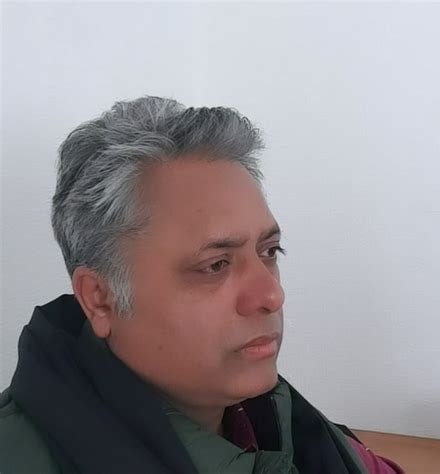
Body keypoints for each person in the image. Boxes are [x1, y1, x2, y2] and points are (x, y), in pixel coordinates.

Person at [0, 96, 404, 473]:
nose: (271, 295)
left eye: (269, 251)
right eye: (215, 265)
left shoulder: (300, 432)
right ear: (100, 299)